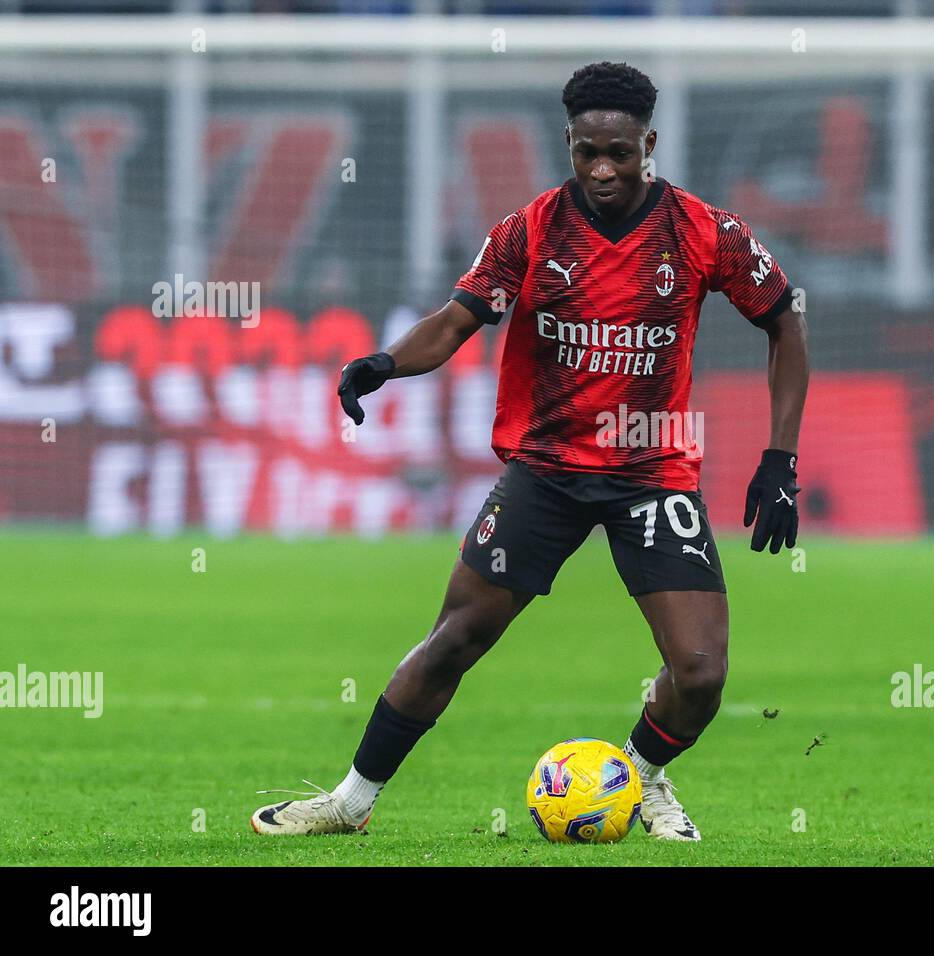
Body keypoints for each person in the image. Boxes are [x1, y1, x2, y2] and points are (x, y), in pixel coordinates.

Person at [251, 60, 808, 842]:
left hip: (651, 474)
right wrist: (384, 363)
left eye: (620, 151)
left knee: (702, 674)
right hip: (545, 472)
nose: (604, 169)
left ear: (648, 142)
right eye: (587, 152)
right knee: (454, 640)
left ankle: (640, 777)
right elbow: (455, 321)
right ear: (570, 145)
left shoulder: (703, 230)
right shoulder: (531, 230)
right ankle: (348, 802)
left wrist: (780, 460)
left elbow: (784, 320)